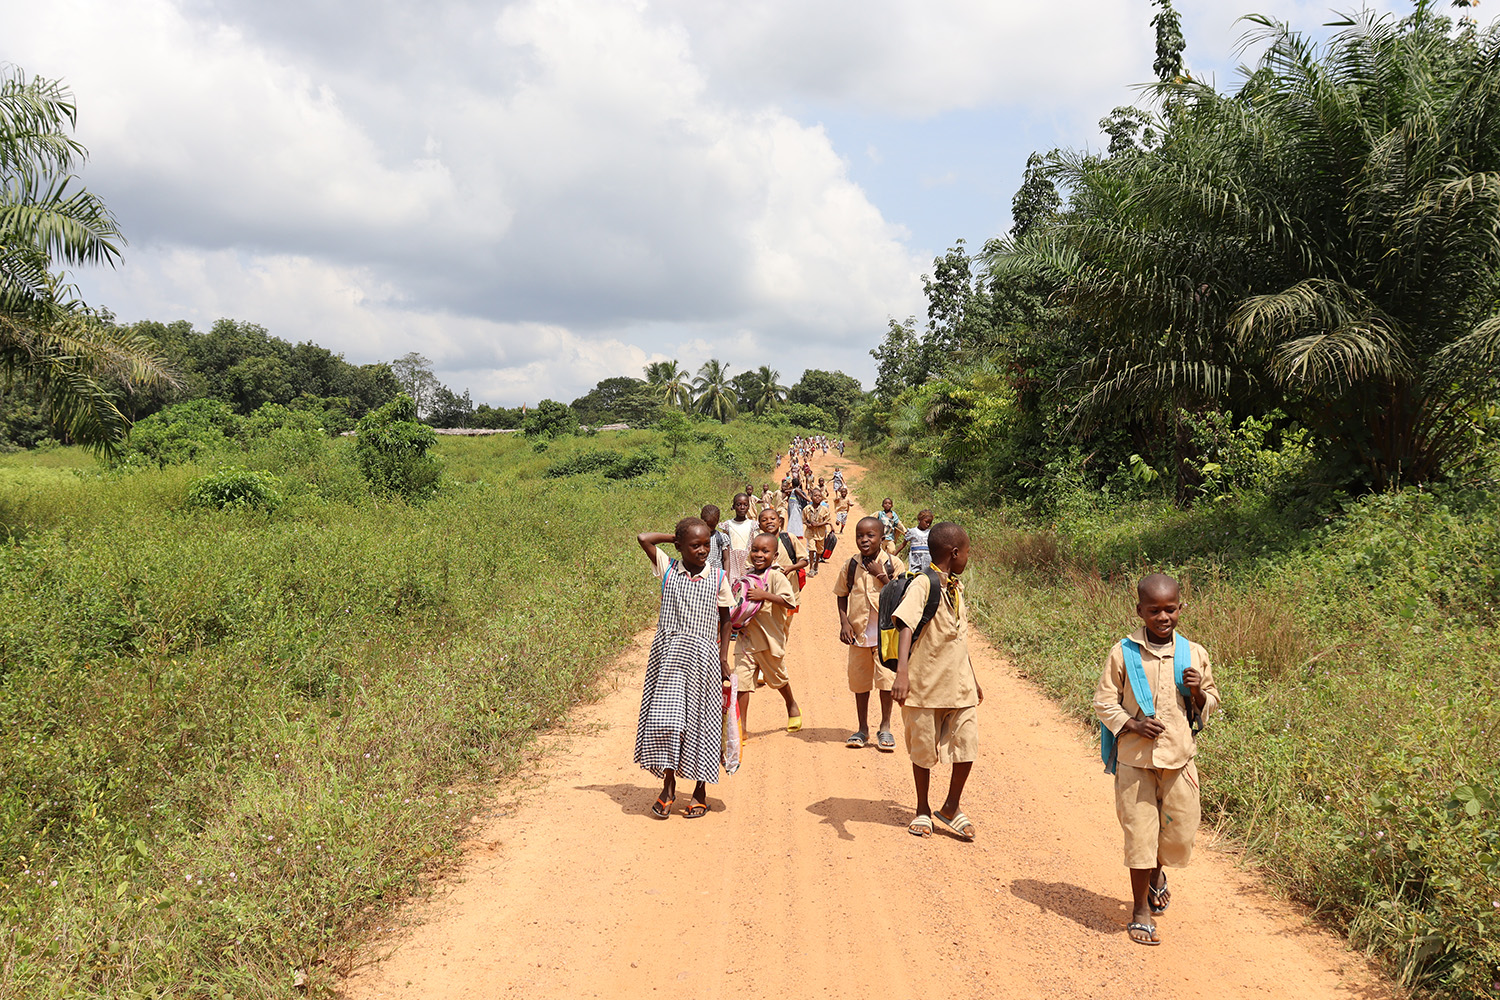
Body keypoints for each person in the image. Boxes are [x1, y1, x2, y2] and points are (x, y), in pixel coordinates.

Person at [1093, 573, 1220, 946]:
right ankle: (1140, 912)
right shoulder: (1123, 652)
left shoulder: (1195, 653)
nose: (1163, 617)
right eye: (1154, 610)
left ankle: (1156, 873)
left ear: (1181, 607)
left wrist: (1198, 691)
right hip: (1135, 761)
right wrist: (1131, 723)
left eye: (1170, 609)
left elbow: (1209, 702)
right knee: (1140, 834)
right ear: (1140, 612)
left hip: (1179, 760)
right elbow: (1104, 701)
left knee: (1178, 835)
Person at [634, 518, 733, 819]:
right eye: (695, 545)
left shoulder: (717, 577)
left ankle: (700, 790)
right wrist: (676, 536)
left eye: (707, 544)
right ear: (679, 546)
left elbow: (726, 619)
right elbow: (644, 537)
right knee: (667, 721)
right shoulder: (668, 568)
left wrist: (724, 658)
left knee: (702, 723)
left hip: (704, 659)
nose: (703, 550)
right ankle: (668, 786)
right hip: (669, 658)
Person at [892, 522, 981, 840]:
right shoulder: (923, 584)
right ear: (955, 553)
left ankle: (951, 806)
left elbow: (959, 636)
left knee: (967, 747)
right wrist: (902, 673)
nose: (969, 557)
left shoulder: (954, 586)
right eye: (967, 552)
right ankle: (922, 809)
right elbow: (905, 624)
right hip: (926, 685)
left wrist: (973, 676)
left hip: (959, 686)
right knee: (923, 751)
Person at [834, 516, 904, 751]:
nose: (864, 540)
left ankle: (885, 727)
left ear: (881, 538)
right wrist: (845, 623)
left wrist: (881, 574)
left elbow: (902, 595)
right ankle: (862, 729)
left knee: (886, 681)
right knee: (860, 682)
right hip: (859, 635)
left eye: (870, 535)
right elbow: (841, 594)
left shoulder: (894, 564)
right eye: (860, 536)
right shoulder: (850, 565)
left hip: (887, 636)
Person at [734, 533, 802, 736]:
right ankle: (741, 728)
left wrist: (765, 596)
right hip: (746, 640)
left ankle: (791, 703)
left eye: (765, 551)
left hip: (770, 640)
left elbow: (790, 602)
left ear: (775, 555)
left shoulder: (776, 576)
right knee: (742, 684)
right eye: (755, 550)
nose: (759, 555)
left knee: (778, 679)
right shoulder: (746, 578)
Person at [723, 493, 756, 585]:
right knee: (731, 586)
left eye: (745, 505)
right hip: (731, 562)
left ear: (749, 507)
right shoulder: (727, 525)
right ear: (733, 506)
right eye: (738, 504)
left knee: (747, 587)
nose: (742, 507)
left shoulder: (753, 525)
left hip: (747, 563)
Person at [802, 487, 832, 575]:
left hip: (820, 533)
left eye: (819, 496)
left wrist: (818, 524)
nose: (817, 497)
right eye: (815, 496)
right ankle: (811, 567)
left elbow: (827, 520)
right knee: (811, 549)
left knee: (819, 550)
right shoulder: (807, 509)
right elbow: (803, 519)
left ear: (822, 498)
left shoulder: (825, 509)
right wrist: (808, 524)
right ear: (811, 497)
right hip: (810, 532)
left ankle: (816, 565)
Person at [898, 508, 934, 574]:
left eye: (930, 523)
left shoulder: (931, 533)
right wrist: (893, 555)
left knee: (926, 576)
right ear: (919, 520)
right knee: (914, 576)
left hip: (927, 559)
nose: (928, 524)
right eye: (926, 522)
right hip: (915, 560)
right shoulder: (912, 532)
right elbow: (903, 544)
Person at [702, 504, 729, 573]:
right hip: (701, 572)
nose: (709, 529)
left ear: (717, 522)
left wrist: (726, 577)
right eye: (707, 525)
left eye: (712, 525)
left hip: (716, 573)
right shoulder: (697, 537)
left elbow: (726, 559)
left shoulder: (722, 537)